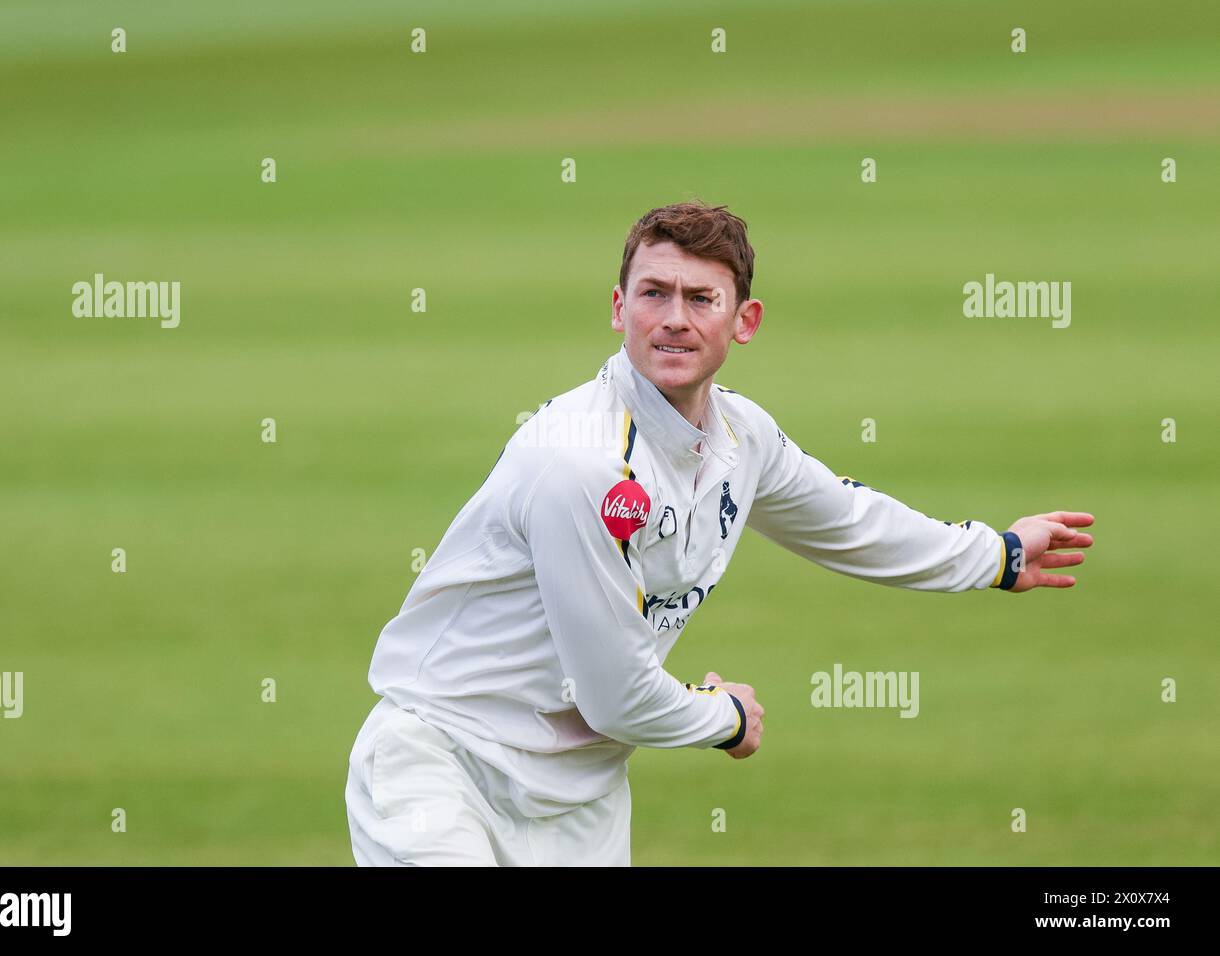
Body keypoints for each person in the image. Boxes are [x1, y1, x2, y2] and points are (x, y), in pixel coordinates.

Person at [344, 199, 1094, 866]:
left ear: (744, 320)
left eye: (701, 298)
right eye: (654, 294)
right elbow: (616, 697)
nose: (675, 317)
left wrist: (996, 554)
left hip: (580, 792)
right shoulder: (581, 464)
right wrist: (725, 716)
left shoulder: (742, 434)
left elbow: (847, 521)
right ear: (617, 307)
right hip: (444, 761)